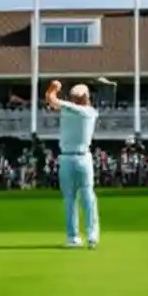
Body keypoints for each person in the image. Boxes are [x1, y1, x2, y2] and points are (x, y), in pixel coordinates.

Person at [45, 80, 99, 248]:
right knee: (87, 197)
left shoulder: (77, 110)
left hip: (68, 158)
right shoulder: (89, 111)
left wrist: (54, 87)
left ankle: (73, 237)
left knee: (71, 199)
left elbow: (50, 98)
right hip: (82, 158)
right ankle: (91, 236)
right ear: (85, 98)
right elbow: (53, 103)